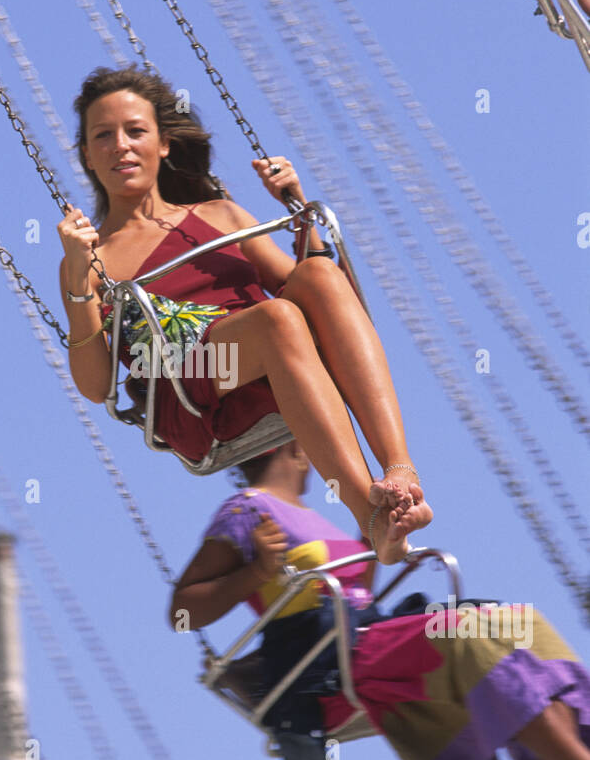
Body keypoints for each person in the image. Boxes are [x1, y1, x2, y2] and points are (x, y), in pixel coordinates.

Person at [58, 64, 432, 565]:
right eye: (103, 135)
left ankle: (400, 472)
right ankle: (371, 515)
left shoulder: (220, 215)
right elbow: (95, 384)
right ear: (87, 155)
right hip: (191, 385)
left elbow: (315, 291)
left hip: (277, 355)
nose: (120, 145)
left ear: (164, 144)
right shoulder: (91, 255)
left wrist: (297, 211)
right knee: (276, 319)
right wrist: (80, 277)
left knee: (317, 277)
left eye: (135, 131)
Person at [168, 441, 590, 760]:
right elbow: (181, 612)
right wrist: (254, 572)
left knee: (523, 627)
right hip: (326, 666)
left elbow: (361, 591)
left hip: (368, 637)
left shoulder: (311, 516)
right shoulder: (245, 512)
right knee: (473, 635)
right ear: (297, 448)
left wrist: (386, 535)